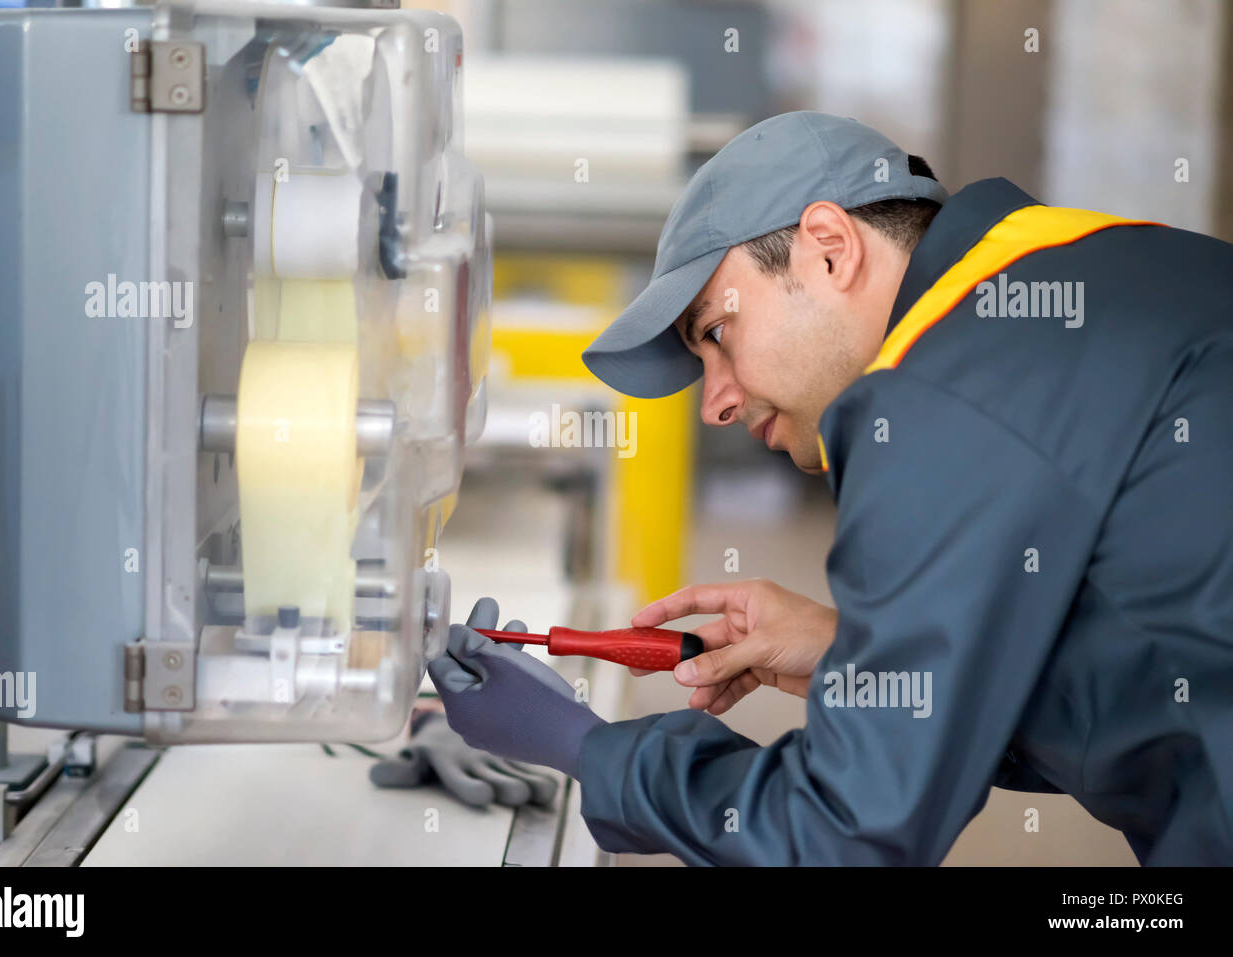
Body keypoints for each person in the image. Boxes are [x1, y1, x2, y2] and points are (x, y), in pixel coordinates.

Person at [430, 112, 1233, 865]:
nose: (715, 402)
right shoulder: (1096, 270)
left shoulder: (939, 398)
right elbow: (1149, 676)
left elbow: (842, 835)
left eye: (715, 333)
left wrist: (585, 746)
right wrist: (859, 658)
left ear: (828, 248)